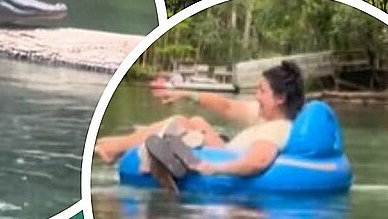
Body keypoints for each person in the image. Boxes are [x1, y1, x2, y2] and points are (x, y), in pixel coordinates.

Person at [94, 61, 305, 179]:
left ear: (280, 98)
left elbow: (259, 161)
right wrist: (188, 94)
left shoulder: (277, 128)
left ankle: (115, 147)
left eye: (261, 91)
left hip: (223, 158)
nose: (256, 97)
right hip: (226, 148)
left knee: (180, 122)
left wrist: (215, 168)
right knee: (196, 121)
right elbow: (227, 106)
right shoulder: (265, 116)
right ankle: (118, 145)